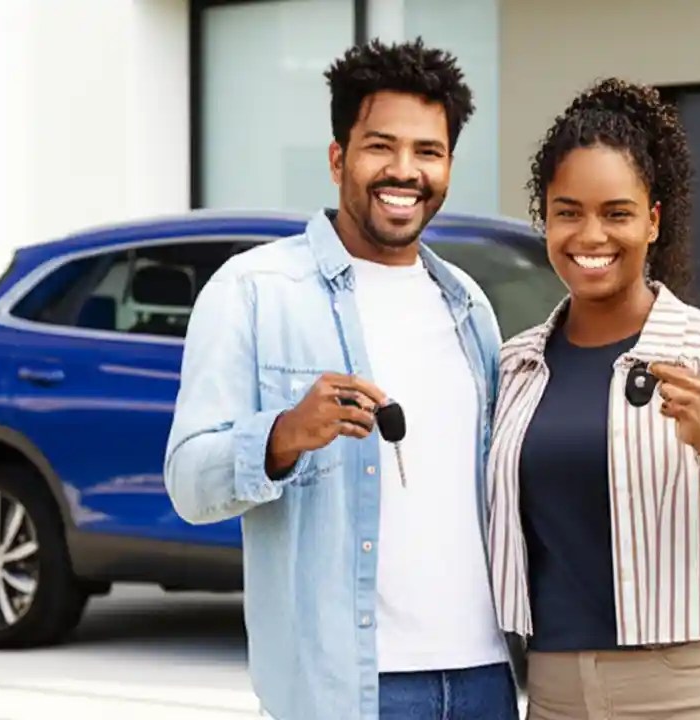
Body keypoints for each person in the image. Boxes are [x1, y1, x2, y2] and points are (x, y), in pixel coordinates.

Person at [164, 39, 518, 720]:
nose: (405, 171)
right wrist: (283, 435)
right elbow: (187, 481)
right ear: (338, 158)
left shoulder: (467, 304)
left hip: (484, 678)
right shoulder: (255, 290)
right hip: (351, 691)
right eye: (380, 146)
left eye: (428, 152)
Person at [486, 78, 700, 719]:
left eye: (616, 212)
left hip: (690, 687)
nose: (591, 235)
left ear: (653, 220)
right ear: (545, 218)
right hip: (554, 687)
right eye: (568, 211)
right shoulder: (517, 366)